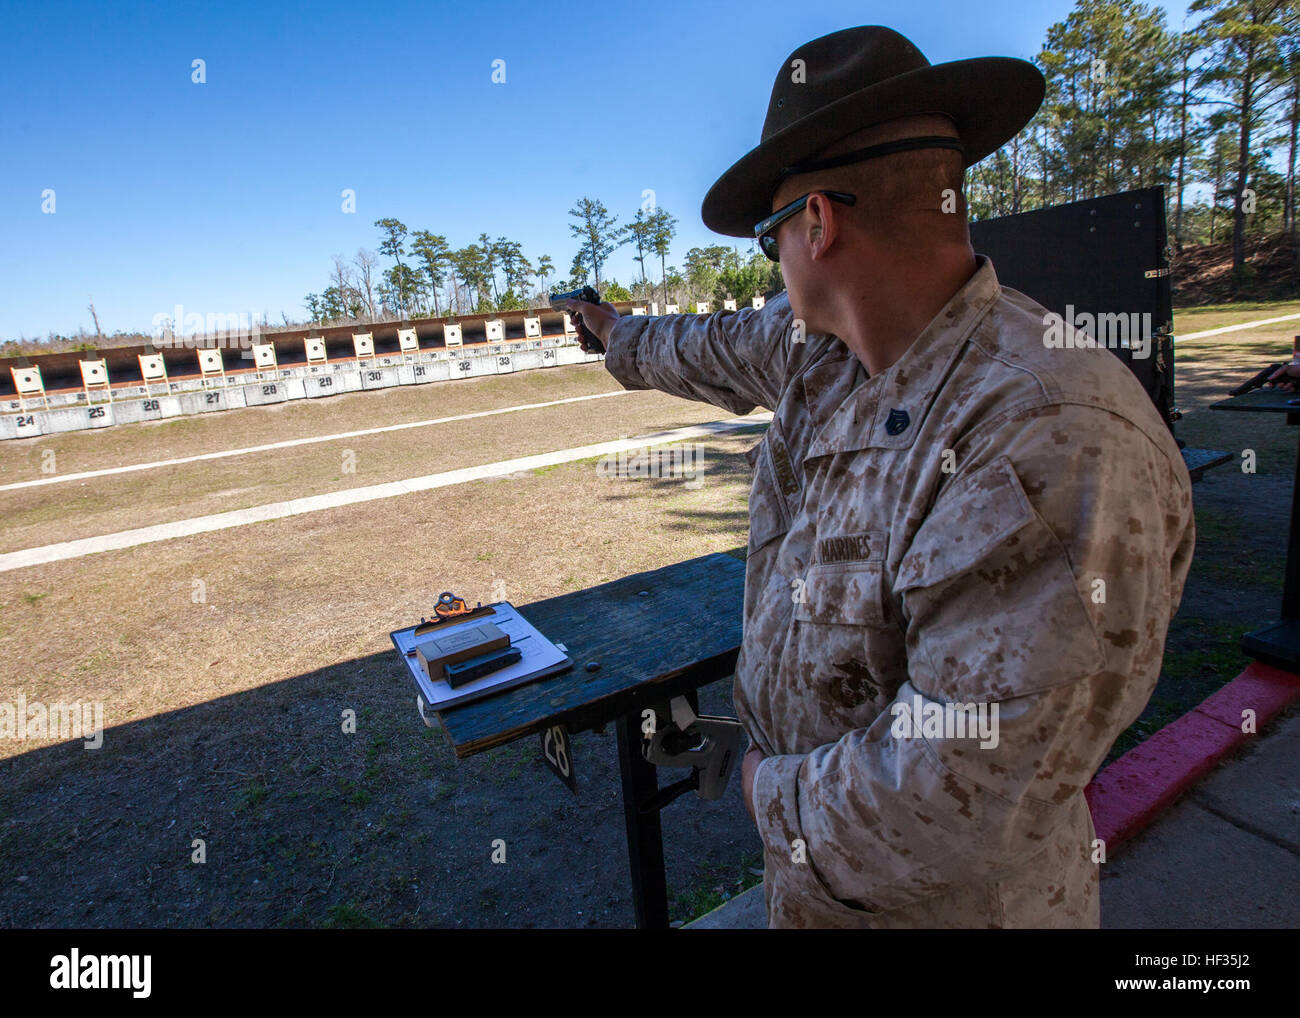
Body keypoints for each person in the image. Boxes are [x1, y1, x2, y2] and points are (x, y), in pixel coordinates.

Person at [565, 25, 1195, 928]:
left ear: (816, 224)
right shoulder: (823, 352)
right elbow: (702, 346)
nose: (773, 264)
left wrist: (754, 783)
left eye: (767, 237)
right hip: (823, 892)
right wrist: (615, 334)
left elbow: (947, 799)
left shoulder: (1045, 434)